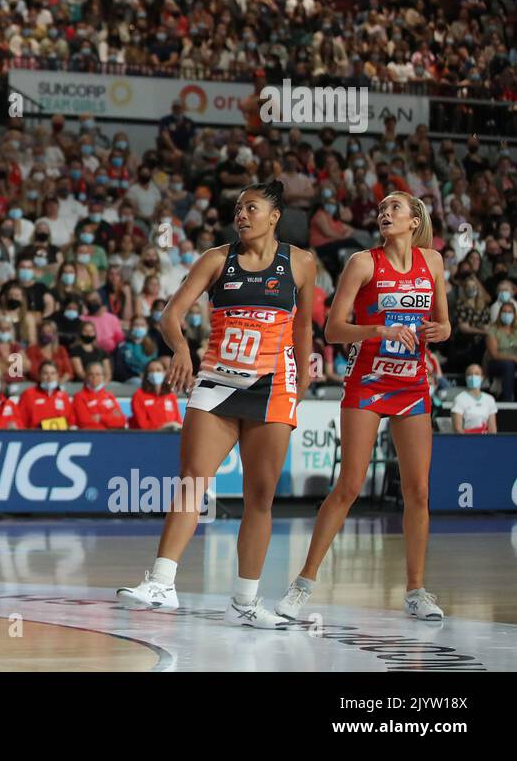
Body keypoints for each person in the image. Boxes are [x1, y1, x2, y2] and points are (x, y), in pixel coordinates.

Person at [120, 181, 314, 628]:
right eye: (237, 207)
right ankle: (162, 582)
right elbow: (170, 315)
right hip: (217, 383)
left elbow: (304, 329)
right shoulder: (216, 259)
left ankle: (245, 603)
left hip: (272, 386)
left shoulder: (301, 263)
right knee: (191, 482)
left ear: (274, 216)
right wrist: (182, 350)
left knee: (260, 498)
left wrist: (302, 378)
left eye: (251, 207)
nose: (241, 214)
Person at [276, 191, 449, 622]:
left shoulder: (434, 263)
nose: (385, 212)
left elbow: (444, 324)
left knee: (420, 492)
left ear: (414, 221)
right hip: (367, 383)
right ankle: (302, 583)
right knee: (350, 485)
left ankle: (416, 590)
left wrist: (438, 330)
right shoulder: (362, 262)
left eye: (395, 208)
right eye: (383, 208)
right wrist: (380, 329)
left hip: (412, 385)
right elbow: (333, 330)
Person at [126, 359, 184, 431]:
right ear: (146, 375)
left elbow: (178, 420)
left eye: (158, 370)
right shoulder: (138, 396)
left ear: (164, 373)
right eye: (151, 371)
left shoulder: (171, 396)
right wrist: (165, 427)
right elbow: (143, 424)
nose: (155, 373)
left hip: (169, 436)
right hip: (148, 437)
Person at [18, 361, 75, 429]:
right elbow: (20, 421)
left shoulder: (63, 396)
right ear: (39, 375)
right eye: (45, 373)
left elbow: (71, 421)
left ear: (57, 376)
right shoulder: (28, 394)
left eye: (53, 373)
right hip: (36, 436)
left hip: (60, 437)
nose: (49, 377)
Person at [73, 362, 126, 429]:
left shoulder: (109, 396)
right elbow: (85, 422)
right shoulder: (79, 397)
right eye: (91, 374)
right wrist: (110, 418)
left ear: (103, 376)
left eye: (98, 374)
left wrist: (101, 417)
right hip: (91, 436)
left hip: (110, 436)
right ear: (86, 376)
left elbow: (121, 420)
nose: (94, 377)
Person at [450, 364, 497, 433]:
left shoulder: (490, 400)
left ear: (482, 377)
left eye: (477, 374)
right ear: (466, 378)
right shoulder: (459, 399)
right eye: (469, 374)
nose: (473, 376)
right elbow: (457, 429)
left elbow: (492, 429)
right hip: (466, 441)